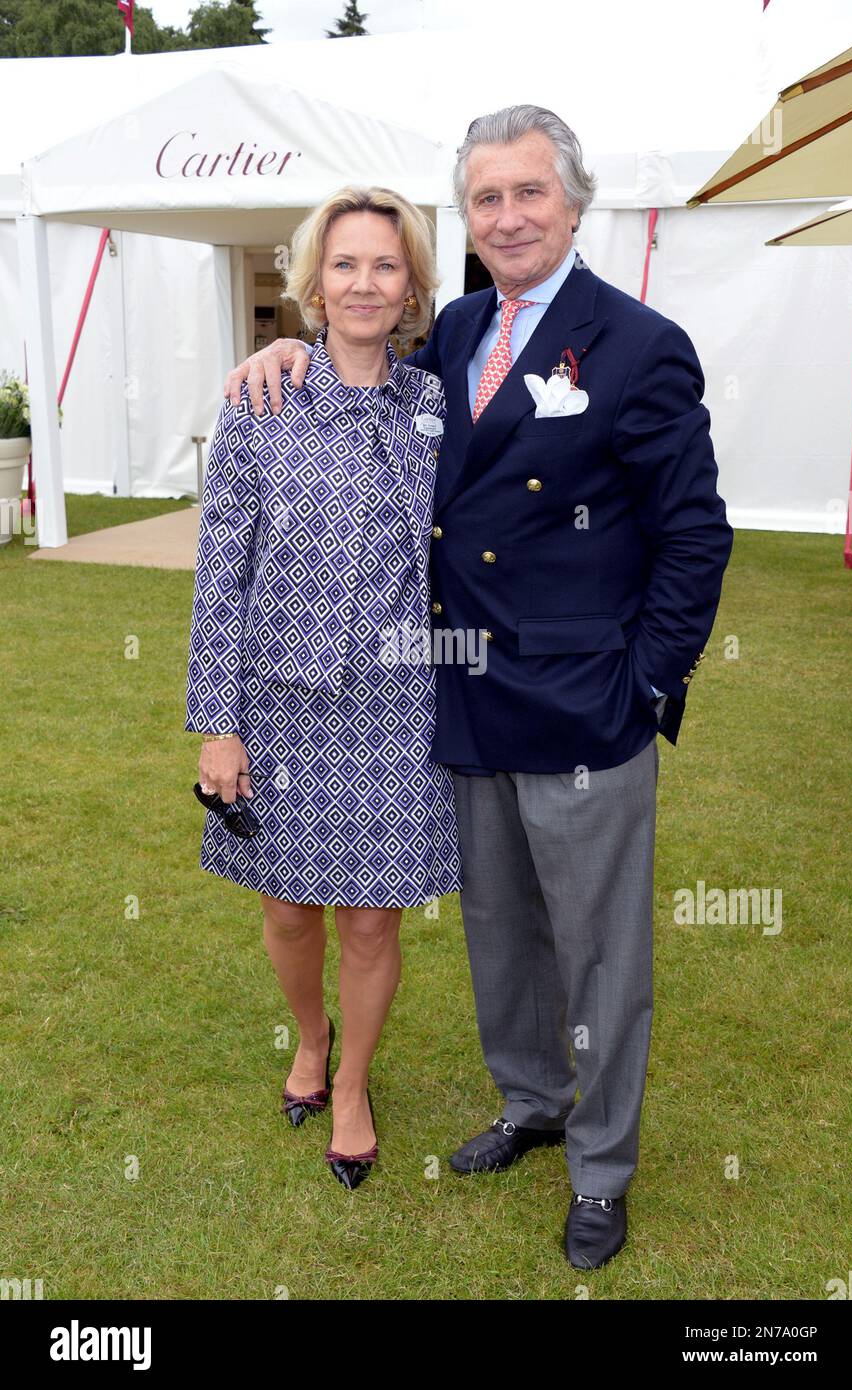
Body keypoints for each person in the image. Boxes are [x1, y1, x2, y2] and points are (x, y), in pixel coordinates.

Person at [224, 105, 734, 1266]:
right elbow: (355, 365)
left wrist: (648, 683)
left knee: (599, 949)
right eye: (487, 198)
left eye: (529, 193)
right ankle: (532, 1103)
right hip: (455, 697)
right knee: (502, 933)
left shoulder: (639, 343)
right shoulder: (452, 330)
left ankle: (601, 1167)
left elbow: (694, 535)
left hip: (585, 709)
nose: (507, 216)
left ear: (573, 202)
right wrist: (284, 349)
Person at [185, 186, 462, 1191]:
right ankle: (310, 1035)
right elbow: (222, 574)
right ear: (314, 280)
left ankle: (351, 1084)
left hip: (397, 707)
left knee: (374, 918)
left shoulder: (437, 404)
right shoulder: (261, 401)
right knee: (291, 908)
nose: (363, 283)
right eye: (344, 264)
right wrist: (216, 725)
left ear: (411, 286)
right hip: (281, 705)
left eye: (385, 265)